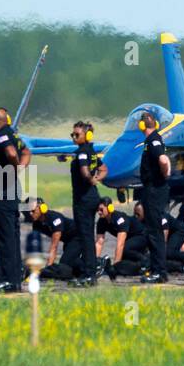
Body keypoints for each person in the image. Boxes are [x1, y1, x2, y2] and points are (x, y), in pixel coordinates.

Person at [0, 106, 30, 293]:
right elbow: (27, 152)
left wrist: (14, 167)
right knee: (13, 235)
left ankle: (8, 280)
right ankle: (15, 279)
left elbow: (12, 153)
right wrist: (20, 168)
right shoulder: (14, 134)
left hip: (4, 191)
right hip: (13, 191)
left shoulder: (2, 136)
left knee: (6, 237)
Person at [68, 120, 105, 287]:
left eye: (77, 134)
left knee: (86, 237)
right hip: (92, 198)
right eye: (72, 134)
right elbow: (104, 169)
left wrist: (90, 179)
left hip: (83, 199)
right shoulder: (91, 152)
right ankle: (90, 271)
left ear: (87, 135)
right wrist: (97, 178)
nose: (74, 137)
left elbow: (83, 172)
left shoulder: (82, 153)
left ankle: (89, 274)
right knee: (88, 235)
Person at [137, 110, 171, 283]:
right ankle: (157, 269)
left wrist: (164, 175)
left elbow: (163, 160)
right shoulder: (153, 140)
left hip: (154, 190)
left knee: (155, 232)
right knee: (152, 230)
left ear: (142, 125)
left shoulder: (154, 140)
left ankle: (160, 272)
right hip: (154, 189)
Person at [95, 197, 147, 270]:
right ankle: (140, 264)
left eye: (101, 209)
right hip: (129, 239)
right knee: (125, 265)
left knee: (125, 249)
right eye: (97, 210)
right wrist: (95, 261)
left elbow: (120, 244)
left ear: (110, 208)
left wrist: (115, 266)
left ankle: (146, 260)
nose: (99, 212)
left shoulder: (119, 219)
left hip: (141, 235)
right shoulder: (101, 221)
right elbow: (99, 243)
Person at [26, 198, 70, 268]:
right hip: (67, 241)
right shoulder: (36, 223)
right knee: (67, 263)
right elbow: (34, 244)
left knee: (64, 264)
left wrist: (48, 268)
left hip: (77, 237)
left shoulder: (55, 219)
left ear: (42, 208)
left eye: (33, 211)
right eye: (28, 212)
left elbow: (54, 247)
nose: (30, 214)